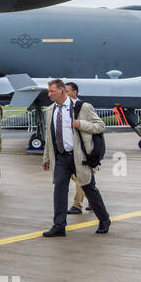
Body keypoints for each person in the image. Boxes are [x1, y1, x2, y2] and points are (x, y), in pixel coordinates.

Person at [41, 78, 111, 236]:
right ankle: (59, 225)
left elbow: (100, 126)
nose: (49, 94)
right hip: (61, 157)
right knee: (59, 189)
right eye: (49, 91)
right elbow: (49, 136)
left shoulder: (82, 107)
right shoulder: (50, 110)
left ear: (62, 91)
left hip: (79, 157)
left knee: (89, 188)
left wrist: (81, 124)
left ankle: (104, 219)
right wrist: (46, 158)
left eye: (52, 91)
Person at [64, 82, 88, 213]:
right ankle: (93, 199)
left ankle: (77, 205)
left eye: (67, 92)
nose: (65, 94)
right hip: (67, 151)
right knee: (85, 180)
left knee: (80, 178)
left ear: (75, 92)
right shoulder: (62, 106)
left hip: (81, 151)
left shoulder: (83, 108)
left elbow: (96, 127)